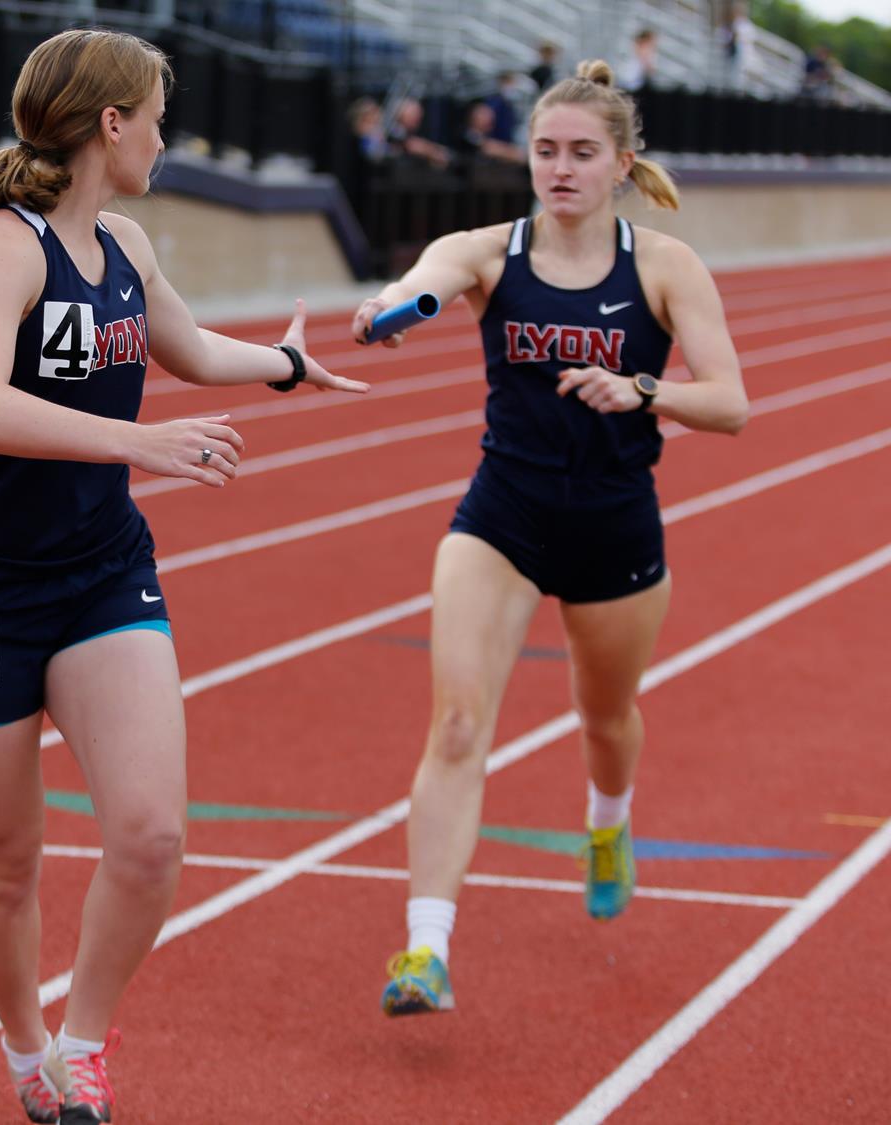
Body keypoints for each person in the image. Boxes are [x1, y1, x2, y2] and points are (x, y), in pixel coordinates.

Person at [0, 27, 365, 1122]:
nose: (168, 132)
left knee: (150, 837)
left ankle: (82, 1047)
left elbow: (191, 350)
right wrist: (137, 445)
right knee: (6, 861)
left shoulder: (127, 243)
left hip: (101, 573)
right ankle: (22, 1050)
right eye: (158, 113)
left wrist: (286, 365)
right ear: (111, 123)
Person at [350, 59, 749, 1017]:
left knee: (604, 721)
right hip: (504, 517)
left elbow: (731, 403)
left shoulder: (664, 266)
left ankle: (608, 823)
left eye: (581, 152)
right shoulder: (489, 251)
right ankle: (424, 949)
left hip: (614, 519)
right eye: (545, 151)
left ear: (621, 163)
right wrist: (394, 309)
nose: (560, 168)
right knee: (455, 722)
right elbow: (427, 282)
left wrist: (644, 389)